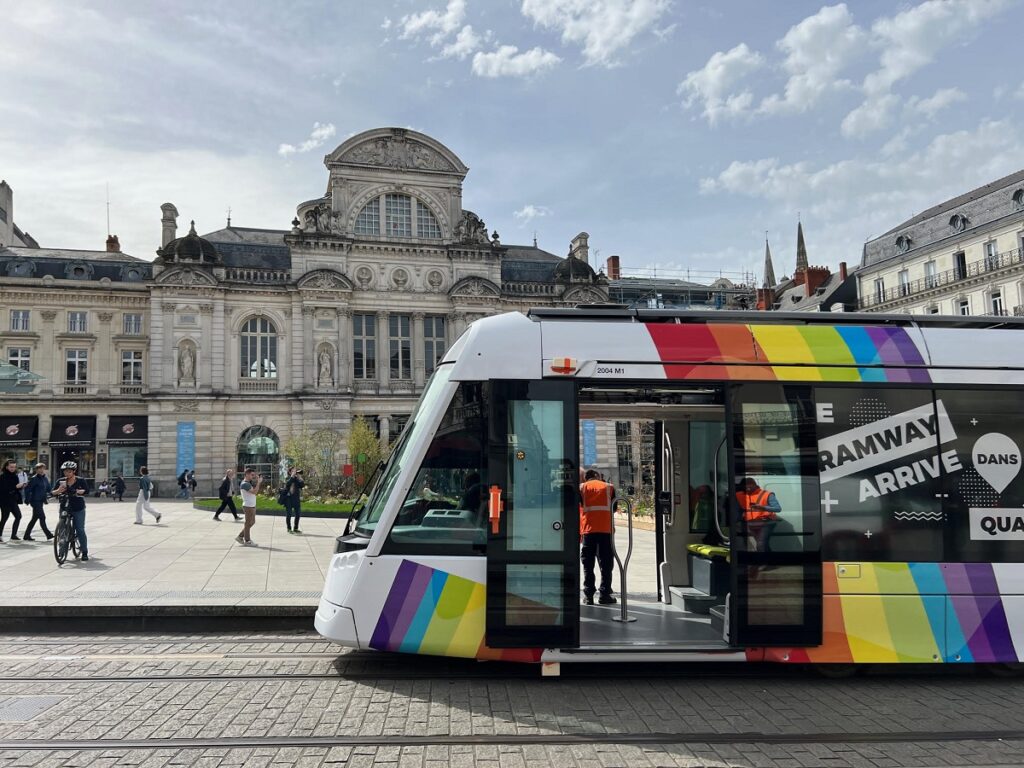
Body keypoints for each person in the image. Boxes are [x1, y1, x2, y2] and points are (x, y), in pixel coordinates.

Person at [579, 468, 616, 606]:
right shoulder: (609, 487)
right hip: (606, 531)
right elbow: (615, 507)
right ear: (598, 476)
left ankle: (588, 596)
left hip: (588, 531)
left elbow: (579, 506)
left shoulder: (582, 487)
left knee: (588, 564)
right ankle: (605, 594)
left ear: (586, 478)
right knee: (606, 564)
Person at [52, 461, 89, 561]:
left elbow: (87, 491)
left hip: (78, 507)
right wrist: (58, 491)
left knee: (80, 529)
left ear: (74, 471)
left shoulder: (80, 480)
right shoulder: (61, 481)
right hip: (65, 506)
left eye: (69, 471)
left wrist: (79, 492)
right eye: (65, 471)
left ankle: (84, 551)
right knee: (62, 528)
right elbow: (53, 492)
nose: (66, 474)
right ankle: (61, 551)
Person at [735, 477, 781, 553]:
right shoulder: (738, 495)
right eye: (746, 485)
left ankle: (763, 563)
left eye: (750, 485)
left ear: (755, 485)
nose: (748, 487)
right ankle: (771, 561)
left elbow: (777, 508)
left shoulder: (767, 494)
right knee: (763, 545)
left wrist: (762, 507)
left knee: (760, 544)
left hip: (766, 523)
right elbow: (737, 509)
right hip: (751, 523)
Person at [23, 463, 53, 541]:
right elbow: (28, 490)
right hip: (35, 501)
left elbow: (49, 489)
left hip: (41, 501)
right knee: (42, 517)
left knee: (34, 519)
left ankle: (26, 535)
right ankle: (48, 534)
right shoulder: (34, 478)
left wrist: (55, 492)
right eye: (39, 468)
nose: (41, 470)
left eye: (42, 468)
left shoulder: (45, 478)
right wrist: (27, 499)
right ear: (36, 470)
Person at [0, 458, 27, 542]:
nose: (13, 469)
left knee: (18, 516)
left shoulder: (15, 476)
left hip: (13, 500)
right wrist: (15, 487)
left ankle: (13, 535)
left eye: (14, 467)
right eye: (11, 467)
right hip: (4, 500)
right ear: (7, 467)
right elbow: (4, 489)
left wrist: (21, 486)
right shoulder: (2, 476)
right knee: (5, 517)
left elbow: (16, 488)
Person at [237, 467, 262, 546]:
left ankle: (240, 536)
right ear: (247, 474)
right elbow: (254, 492)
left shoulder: (247, 483)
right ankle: (247, 540)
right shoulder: (245, 484)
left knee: (252, 522)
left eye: (253, 475)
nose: (253, 476)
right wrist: (259, 482)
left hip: (251, 506)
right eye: (252, 475)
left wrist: (257, 481)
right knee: (248, 523)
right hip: (248, 506)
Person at [285, 468, 305, 534]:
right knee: (289, 514)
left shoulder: (297, 479)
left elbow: (302, 485)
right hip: (289, 499)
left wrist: (300, 478)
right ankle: (289, 528)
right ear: (290, 472)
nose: (295, 472)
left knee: (298, 514)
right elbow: (287, 484)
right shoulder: (287, 478)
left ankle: (296, 528)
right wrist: (292, 476)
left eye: (295, 471)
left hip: (296, 499)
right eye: (293, 471)